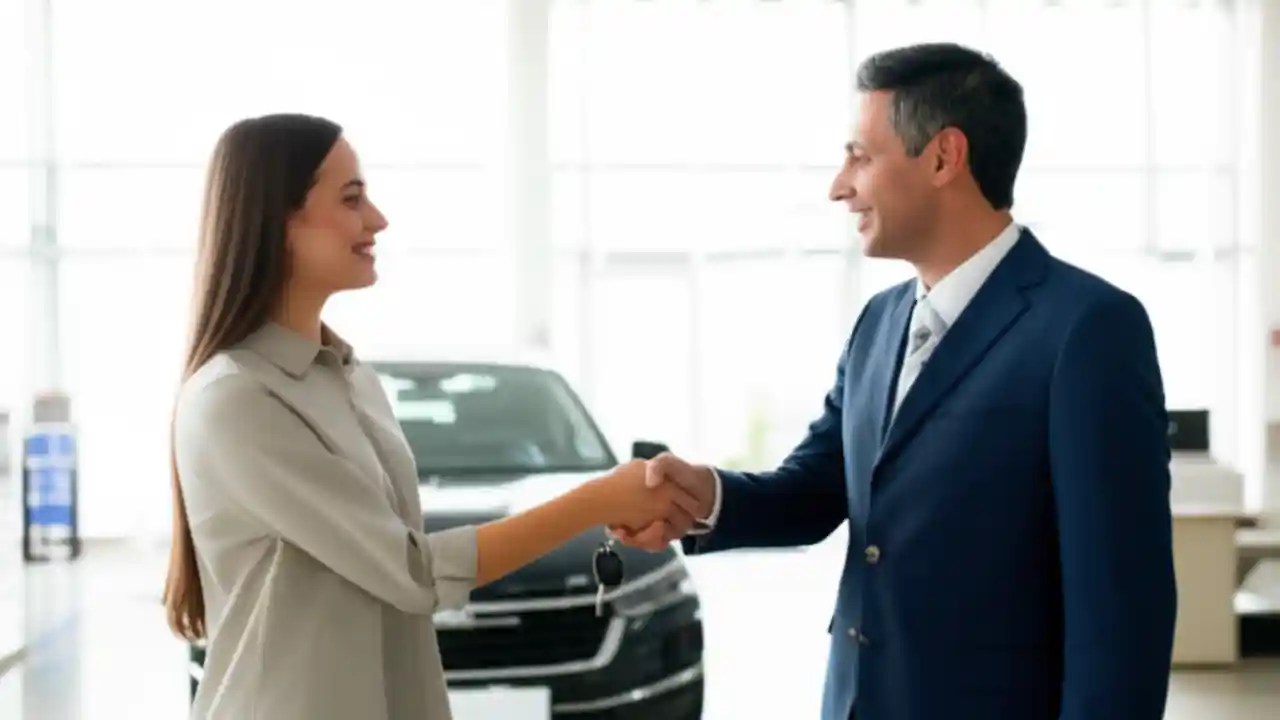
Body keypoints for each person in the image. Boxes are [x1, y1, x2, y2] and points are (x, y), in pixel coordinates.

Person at [614, 43, 1177, 720]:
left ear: (943, 157)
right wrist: (705, 497)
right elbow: (820, 488)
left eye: (860, 156)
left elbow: (1121, 613)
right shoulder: (879, 322)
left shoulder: (1087, 330)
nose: (839, 186)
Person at [163, 113, 699, 720]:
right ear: (277, 221)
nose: (377, 219)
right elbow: (411, 571)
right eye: (351, 199)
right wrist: (598, 499)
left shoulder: (350, 377)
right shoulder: (236, 398)